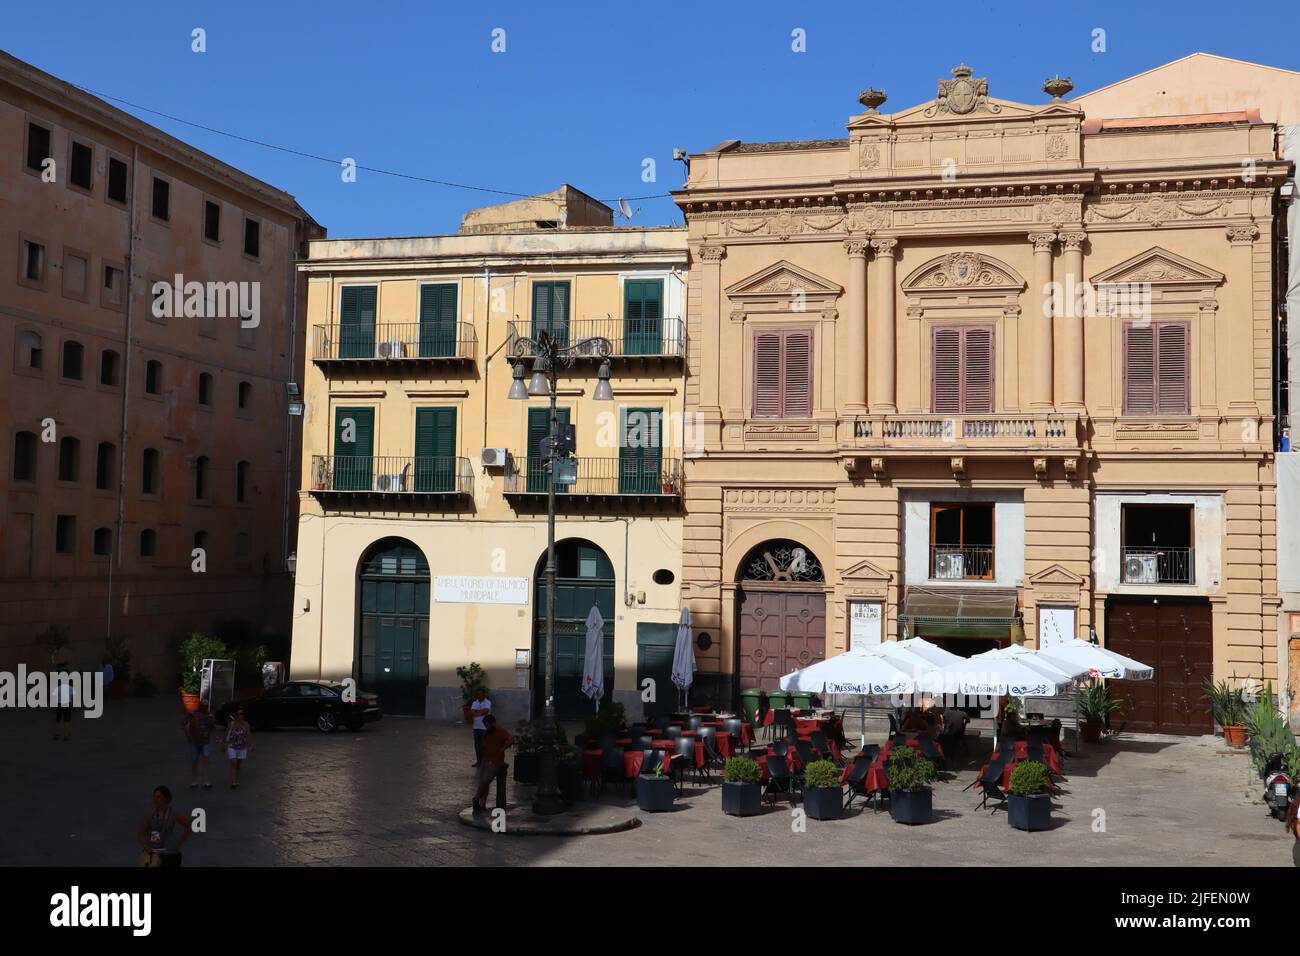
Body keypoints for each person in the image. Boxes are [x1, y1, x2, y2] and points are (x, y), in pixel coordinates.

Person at [137, 785, 192, 867]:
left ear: (166, 799)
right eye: (154, 797)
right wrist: (146, 847)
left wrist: (178, 842)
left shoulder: (174, 813)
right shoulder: (149, 815)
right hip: (153, 854)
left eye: (159, 797)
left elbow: (190, 826)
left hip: (170, 854)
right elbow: (141, 834)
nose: (155, 799)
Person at [471, 715, 513, 814]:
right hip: (486, 760)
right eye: (485, 725)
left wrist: (503, 748)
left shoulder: (500, 731)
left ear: (493, 723)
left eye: (487, 725)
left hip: (495, 761)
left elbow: (511, 739)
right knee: (484, 782)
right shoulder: (486, 732)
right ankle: (482, 803)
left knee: (486, 780)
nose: (486, 727)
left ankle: (476, 798)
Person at [182, 704, 216, 789]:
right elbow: (183, 723)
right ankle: (195, 780)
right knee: (195, 761)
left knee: (204, 761)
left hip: (204, 742)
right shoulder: (193, 715)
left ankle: (204, 781)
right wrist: (188, 735)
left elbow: (212, 727)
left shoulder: (209, 716)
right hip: (195, 741)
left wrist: (208, 734)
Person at [223, 705, 253, 789]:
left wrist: (250, 744)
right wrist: (223, 744)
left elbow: (248, 735)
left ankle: (236, 779)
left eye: (242, 714)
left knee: (238, 765)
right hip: (232, 746)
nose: (240, 715)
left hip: (242, 747)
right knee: (234, 763)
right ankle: (233, 782)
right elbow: (226, 734)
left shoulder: (246, 725)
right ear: (236, 715)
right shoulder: (232, 724)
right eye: (239, 714)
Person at [470, 688, 492, 768]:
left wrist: (477, 712)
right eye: (478, 694)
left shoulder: (487, 702)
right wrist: (480, 712)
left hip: (484, 728)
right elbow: (472, 712)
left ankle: (485, 762)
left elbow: (486, 711)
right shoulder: (475, 702)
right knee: (477, 746)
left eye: (480, 694)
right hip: (476, 727)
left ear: (484, 694)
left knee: (484, 745)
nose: (479, 696)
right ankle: (479, 762)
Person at [54, 673, 74, 741]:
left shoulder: (58, 688)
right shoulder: (70, 688)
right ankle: (66, 735)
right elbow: (72, 696)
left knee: (58, 720)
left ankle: (56, 734)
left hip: (59, 704)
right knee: (67, 720)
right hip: (67, 704)